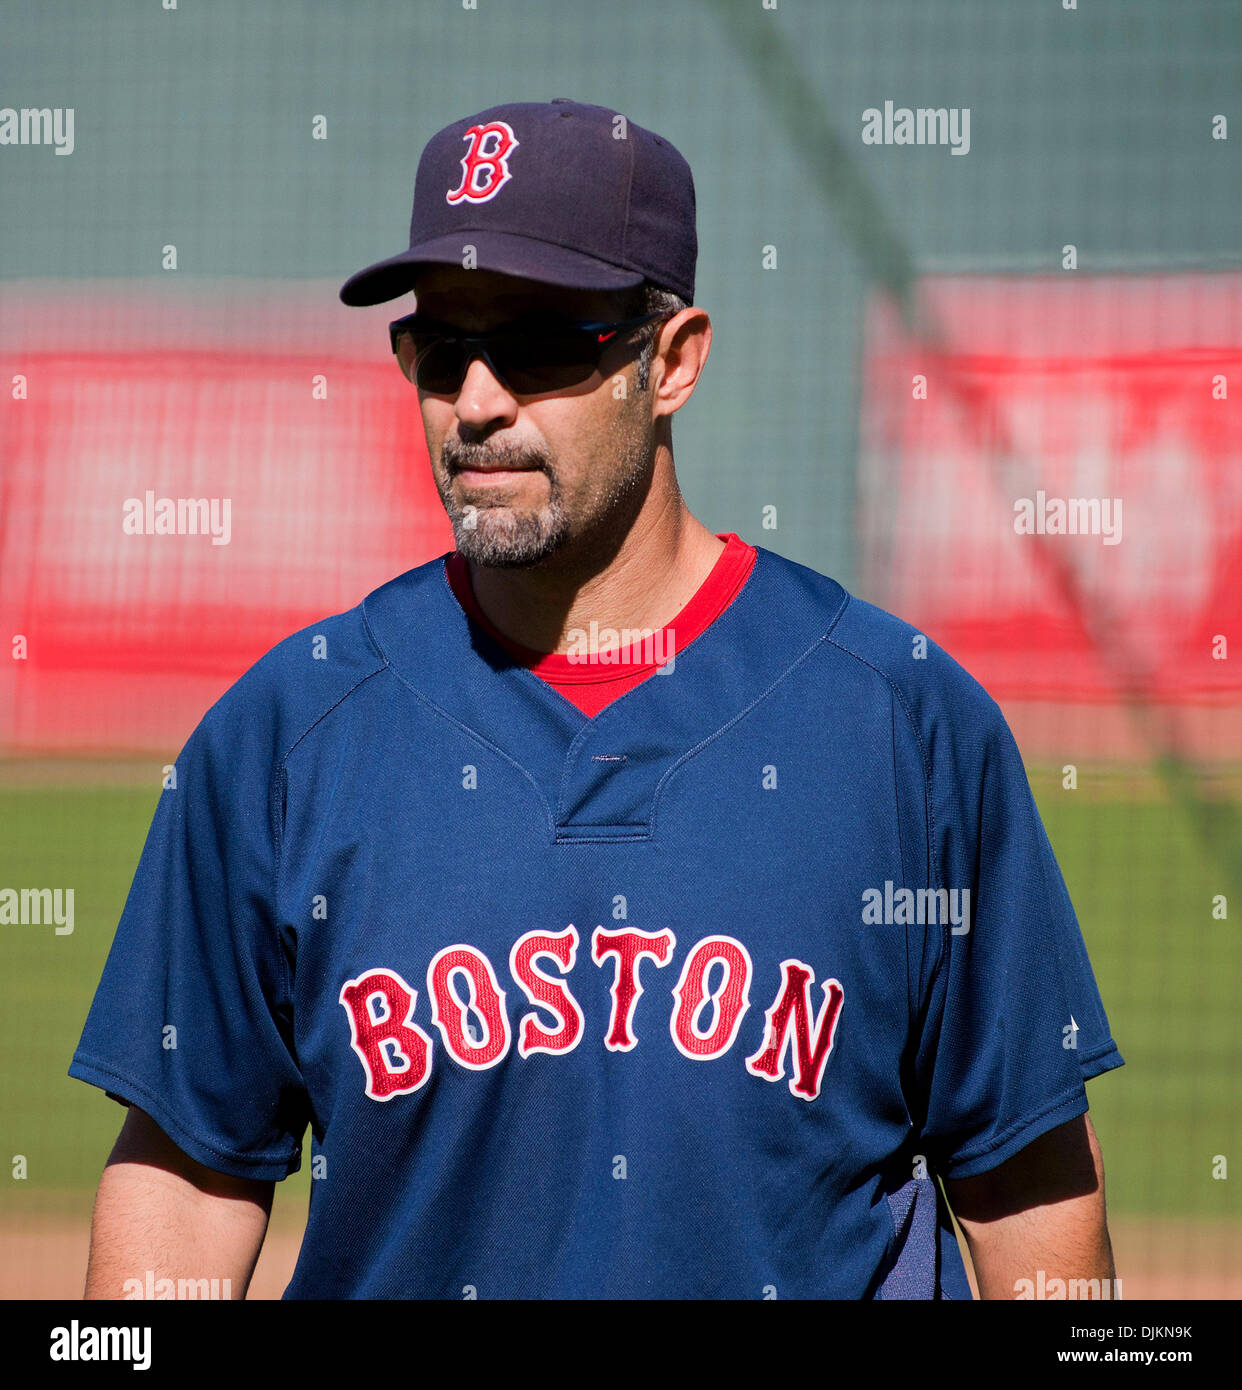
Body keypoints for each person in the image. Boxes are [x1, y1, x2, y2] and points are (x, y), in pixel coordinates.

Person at [72, 98, 1123, 1300]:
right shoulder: (283, 738)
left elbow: (1023, 1184)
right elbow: (190, 1170)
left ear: (670, 361)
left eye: (539, 342)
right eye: (440, 346)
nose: (476, 401)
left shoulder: (902, 725)